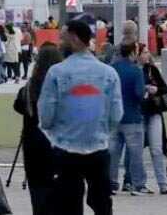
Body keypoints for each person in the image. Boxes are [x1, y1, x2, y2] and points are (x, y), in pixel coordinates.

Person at [38, 19, 124, 215]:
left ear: (74, 39)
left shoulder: (56, 72)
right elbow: (116, 114)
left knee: (69, 204)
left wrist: (54, 132)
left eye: (63, 38)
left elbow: (46, 115)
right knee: (102, 204)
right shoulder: (109, 73)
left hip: (66, 148)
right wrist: (103, 131)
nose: (60, 43)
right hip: (98, 147)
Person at [15, 43, 64, 213]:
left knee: (37, 191)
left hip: (33, 145)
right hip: (58, 144)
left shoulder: (28, 88)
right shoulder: (62, 86)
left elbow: (18, 106)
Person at [108, 42, 150, 195]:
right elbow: (139, 93)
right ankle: (138, 184)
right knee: (135, 153)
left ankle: (111, 182)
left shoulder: (112, 69)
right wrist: (146, 92)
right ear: (133, 52)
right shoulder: (136, 70)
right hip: (132, 116)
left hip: (114, 117)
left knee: (113, 153)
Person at [138, 45, 167, 195]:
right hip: (139, 113)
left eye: (147, 52)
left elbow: (164, 88)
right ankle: (139, 182)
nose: (148, 54)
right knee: (137, 150)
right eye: (144, 52)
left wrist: (156, 89)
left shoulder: (152, 69)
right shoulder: (135, 71)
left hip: (154, 111)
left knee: (157, 149)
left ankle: (163, 184)